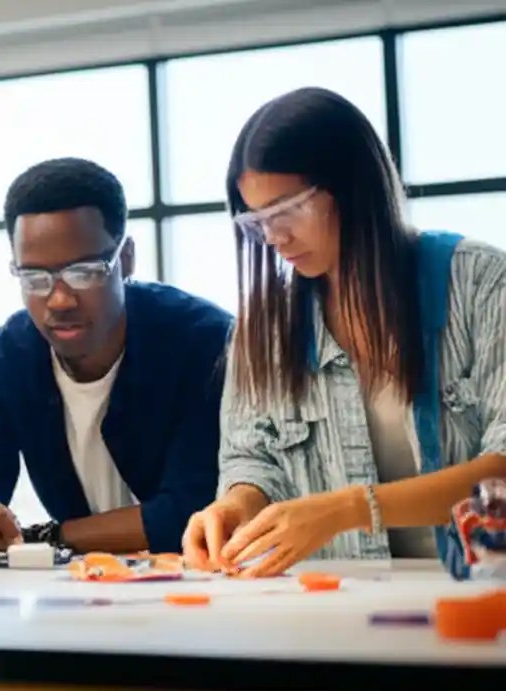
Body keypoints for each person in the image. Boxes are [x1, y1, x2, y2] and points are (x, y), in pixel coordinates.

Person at [182, 87, 506, 578]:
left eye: (288, 210)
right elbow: (253, 459)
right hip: (342, 608)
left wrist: (352, 508)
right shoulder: (262, 332)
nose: (274, 238)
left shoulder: (480, 282)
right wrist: (235, 505)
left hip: (483, 599)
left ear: (353, 189)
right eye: (257, 221)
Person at [0, 157, 233, 560]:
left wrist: (49, 536)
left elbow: (190, 513)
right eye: (34, 278)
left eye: (84, 272)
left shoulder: (204, 342)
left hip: (205, 585)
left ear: (125, 260)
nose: (59, 299)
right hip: (83, 589)